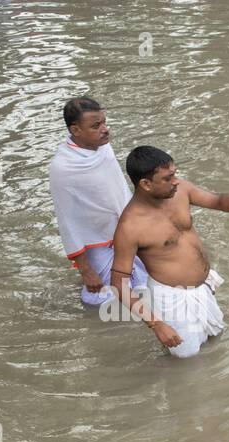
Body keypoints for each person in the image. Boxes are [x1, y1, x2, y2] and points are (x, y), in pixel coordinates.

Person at [110, 146, 229, 358]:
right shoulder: (130, 227)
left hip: (202, 286)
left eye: (175, 174)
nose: (176, 181)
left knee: (216, 338)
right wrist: (156, 324)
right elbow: (119, 283)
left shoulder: (181, 191)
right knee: (185, 359)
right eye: (168, 178)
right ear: (145, 184)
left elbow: (218, 201)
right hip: (171, 297)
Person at [47, 97, 147, 305]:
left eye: (104, 122)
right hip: (96, 240)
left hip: (125, 229)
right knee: (104, 299)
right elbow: (67, 222)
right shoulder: (63, 168)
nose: (105, 130)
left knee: (151, 282)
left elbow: (118, 192)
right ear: (75, 131)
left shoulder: (103, 148)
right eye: (95, 126)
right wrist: (86, 270)